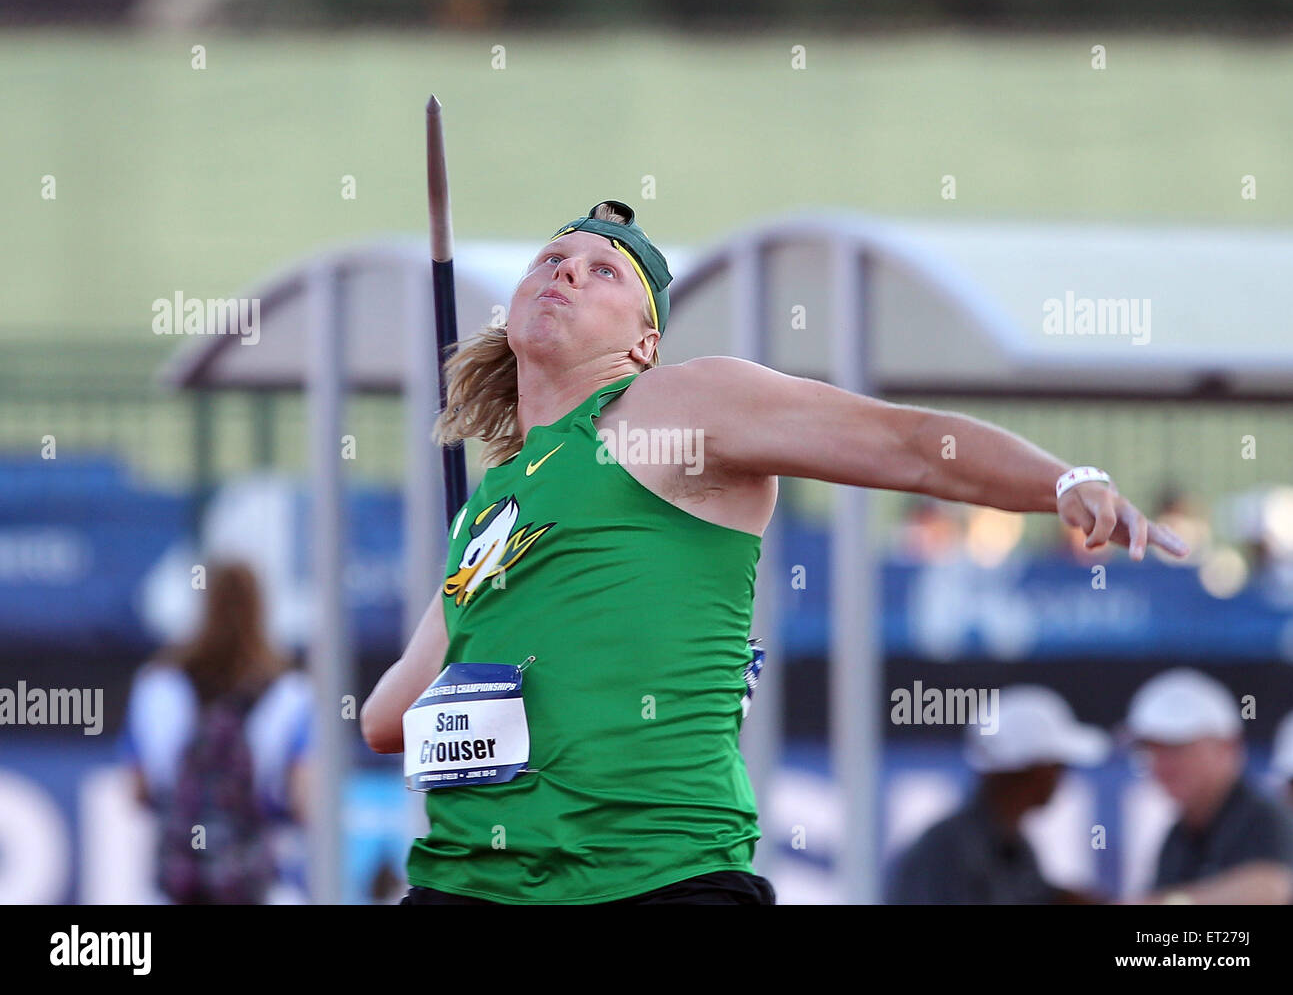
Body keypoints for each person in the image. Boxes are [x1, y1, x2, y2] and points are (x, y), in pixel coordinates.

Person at [360, 199, 1189, 906]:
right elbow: (386, 719)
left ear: (645, 343)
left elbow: (900, 442)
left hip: (651, 879)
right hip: (472, 882)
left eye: (603, 270)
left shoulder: (668, 407)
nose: (567, 271)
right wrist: (488, 653)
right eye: (552, 258)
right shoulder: (488, 509)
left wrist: (1061, 479)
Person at [120, 559, 313, 904]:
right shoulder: (291, 692)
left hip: (176, 888)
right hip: (256, 888)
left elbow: (137, 790)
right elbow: (303, 802)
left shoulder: (156, 684)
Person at [886, 685, 1109, 904]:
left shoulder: (1014, 848)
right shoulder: (943, 852)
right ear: (1032, 768)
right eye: (1059, 765)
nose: (1061, 777)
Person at [1122, 668, 1293, 904]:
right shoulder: (1179, 836)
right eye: (1151, 749)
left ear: (1228, 747)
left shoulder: (1265, 818)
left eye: (1177, 747)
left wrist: (1171, 902)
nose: (1162, 764)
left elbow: (1271, 890)